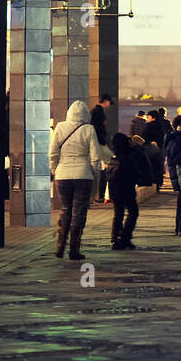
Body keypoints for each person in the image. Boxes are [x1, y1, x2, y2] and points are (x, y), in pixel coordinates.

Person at [50, 100, 107, 260]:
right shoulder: (89, 129)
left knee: (66, 209)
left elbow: (53, 153)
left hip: (62, 174)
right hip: (83, 175)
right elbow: (95, 157)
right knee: (79, 212)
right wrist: (95, 174)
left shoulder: (60, 127)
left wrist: (55, 170)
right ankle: (74, 250)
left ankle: (60, 247)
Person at [107, 132, 152, 249]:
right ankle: (125, 238)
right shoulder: (127, 156)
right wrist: (138, 178)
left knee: (118, 214)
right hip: (126, 189)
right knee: (133, 212)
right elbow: (132, 173)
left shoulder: (114, 156)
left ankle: (115, 238)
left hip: (115, 190)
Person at [90, 94, 114, 203]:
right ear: (105, 101)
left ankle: (101, 196)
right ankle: (105, 195)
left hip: (98, 142)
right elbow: (98, 128)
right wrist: (103, 141)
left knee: (104, 168)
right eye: (109, 102)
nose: (109, 105)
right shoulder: (99, 111)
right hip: (100, 143)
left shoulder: (95, 110)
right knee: (112, 161)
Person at [141, 111, 167, 189]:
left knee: (152, 166)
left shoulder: (149, 126)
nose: (147, 119)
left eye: (148, 117)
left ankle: (154, 183)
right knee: (159, 166)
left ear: (153, 118)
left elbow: (143, 137)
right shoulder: (160, 126)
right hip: (160, 148)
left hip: (151, 149)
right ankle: (159, 182)